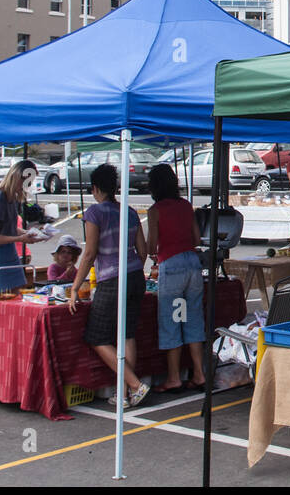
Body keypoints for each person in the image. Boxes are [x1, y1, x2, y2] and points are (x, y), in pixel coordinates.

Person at [69, 164, 150, 407]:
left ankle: (135, 385)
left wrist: (74, 287)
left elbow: (90, 253)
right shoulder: (129, 212)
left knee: (97, 336)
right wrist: (133, 266)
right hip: (135, 275)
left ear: (95, 188)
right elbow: (143, 250)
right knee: (127, 333)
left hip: (112, 279)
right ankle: (124, 393)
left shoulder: (94, 213)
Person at [145, 163, 207, 393]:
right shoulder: (185, 205)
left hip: (171, 266)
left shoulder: (156, 210)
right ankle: (199, 374)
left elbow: (152, 245)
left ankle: (173, 377)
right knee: (192, 319)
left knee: (172, 320)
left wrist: (153, 251)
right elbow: (197, 239)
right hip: (192, 264)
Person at [0, 161, 38, 294]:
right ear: (17, 177)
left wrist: (29, 233)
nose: (28, 186)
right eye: (27, 181)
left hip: (9, 254)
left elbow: (10, 228)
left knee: (15, 298)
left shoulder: (12, 197)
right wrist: (20, 238)